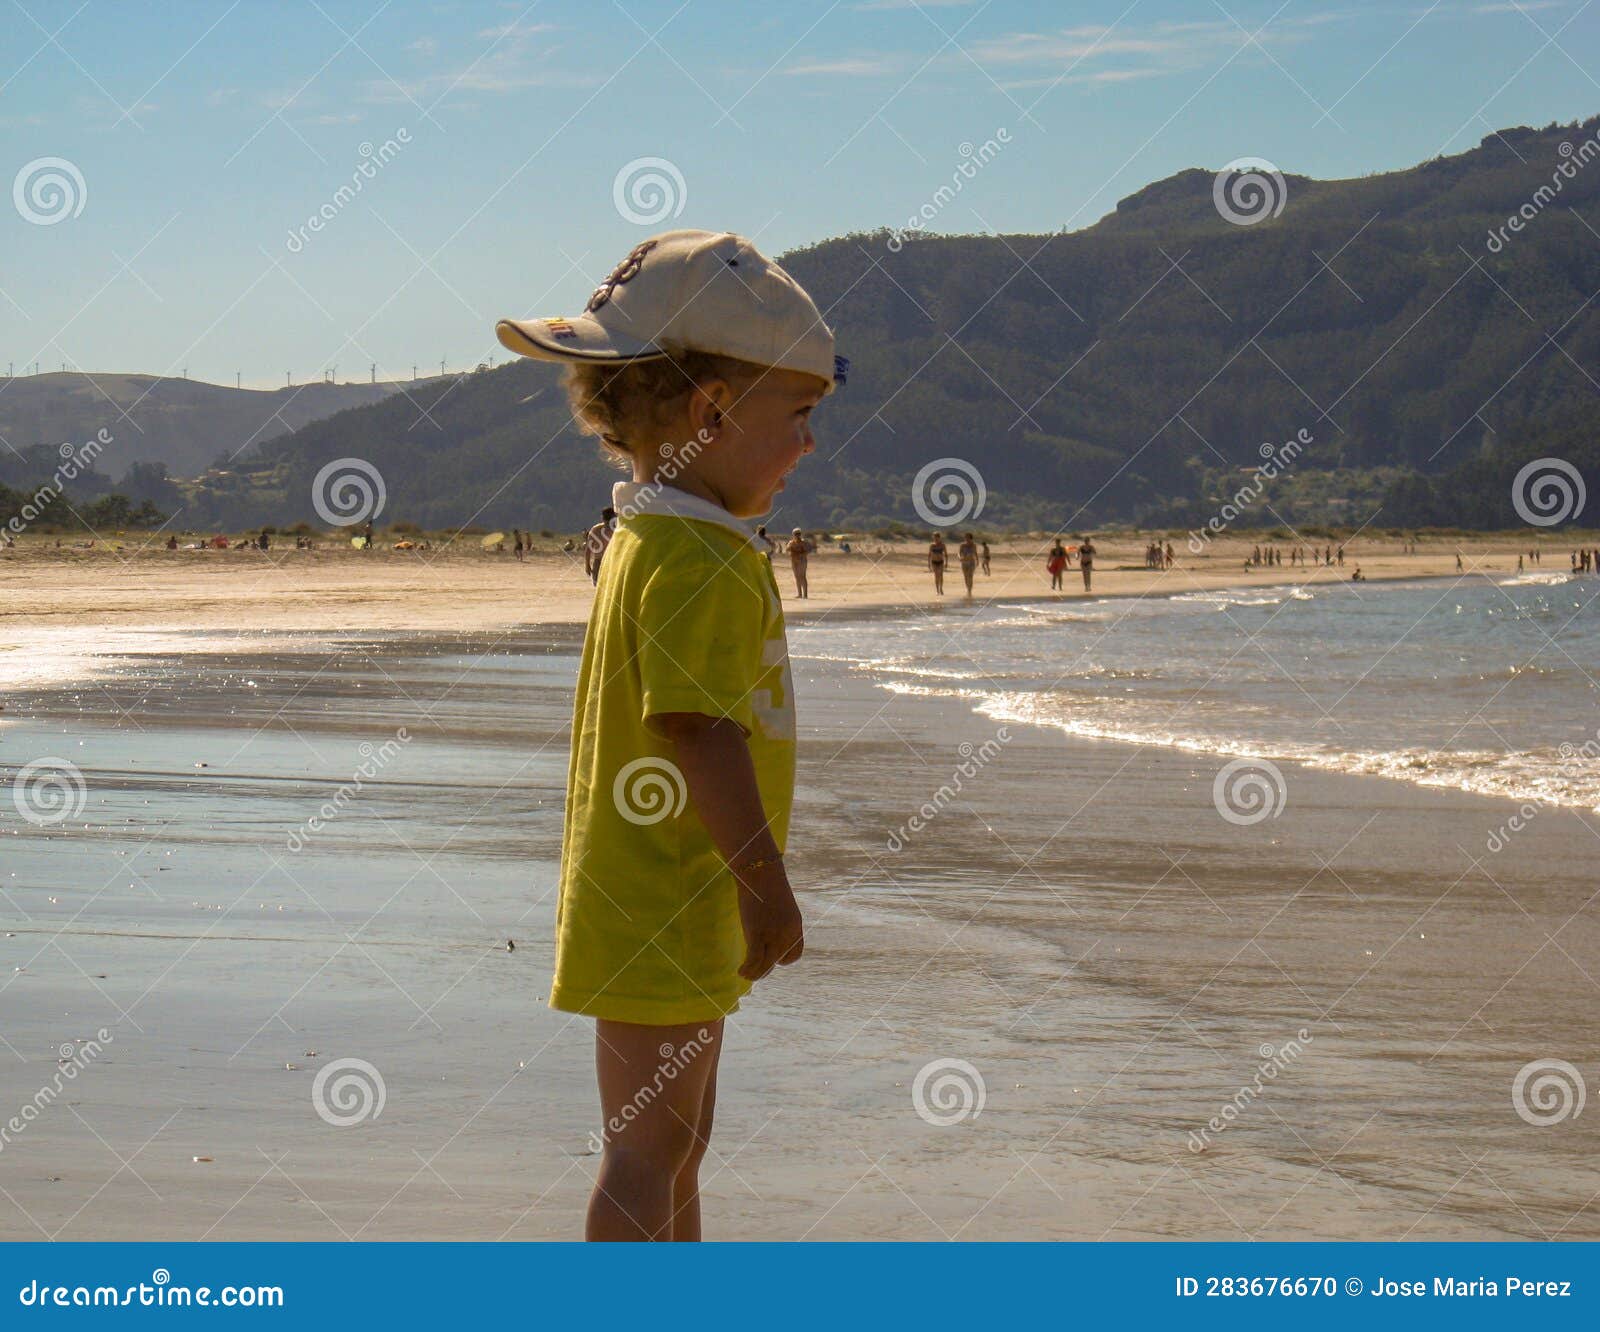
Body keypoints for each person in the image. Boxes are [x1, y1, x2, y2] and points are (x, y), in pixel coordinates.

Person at [492, 228, 836, 1241]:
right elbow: (697, 732)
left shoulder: (650, 531)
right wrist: (763, 880)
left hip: (657, 888)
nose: (810, 445)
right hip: (667, 888)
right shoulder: (694, 555)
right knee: (649, 1148)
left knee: (673, 1144)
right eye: (801, 416)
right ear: (710, 409)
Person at [584, 507, 617, 585]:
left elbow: (588, 550)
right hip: (610, 561)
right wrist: (587, 565)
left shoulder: (596, 529)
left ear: (602, 517)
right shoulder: (617, 529)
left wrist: (587, 565)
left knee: (600, 588)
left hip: (601, 562)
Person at [786, 528, 809, 598]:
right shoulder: (791, 542)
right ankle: (799, 594)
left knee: (802, 576)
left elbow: (806, 551)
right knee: (797, 577)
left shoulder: (803, 542)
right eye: (796, 534)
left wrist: (799, 554)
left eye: (798, 534)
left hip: (802, 561)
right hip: (794, 561)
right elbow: (787, 549)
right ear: (793, 535)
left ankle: (805, 594)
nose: (797, 535)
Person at [958, 532, 978, 598]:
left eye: (968, 537)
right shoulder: (962, 545)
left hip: (971, 562)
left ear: (971, 538)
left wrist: (977, 560)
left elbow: (975, 553)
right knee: (966, 577)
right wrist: (959, 557)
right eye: (966, 537)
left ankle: (969, 591)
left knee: (970, 576)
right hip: (964, 562)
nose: (967, 539)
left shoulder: (974, 545)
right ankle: (968, 589)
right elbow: (959, 552)